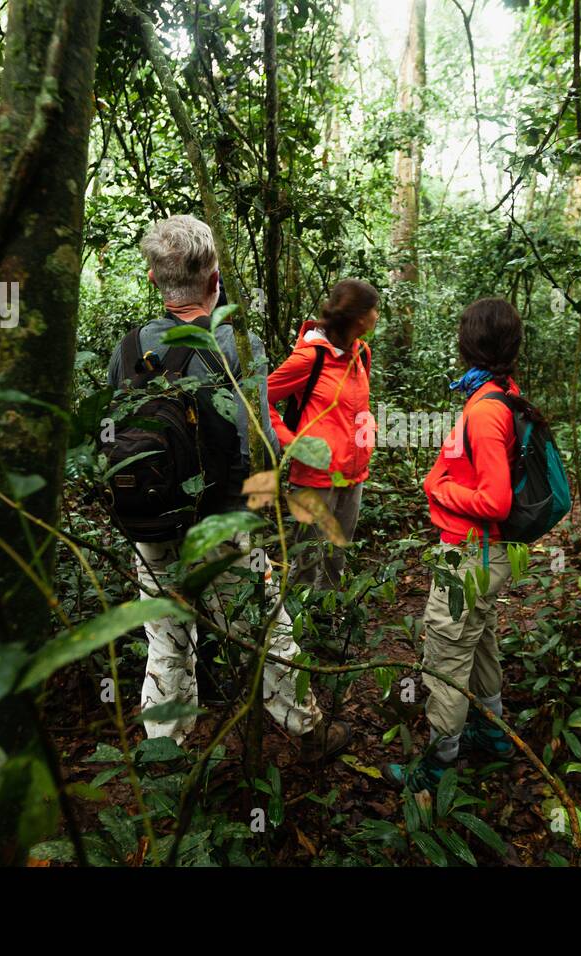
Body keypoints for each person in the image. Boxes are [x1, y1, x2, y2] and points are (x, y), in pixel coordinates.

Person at [107, 214, 350, 763]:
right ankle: (305, 730)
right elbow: (259, 440)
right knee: (267, 626)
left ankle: (164, 754)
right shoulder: (235, 343)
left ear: (151, 277)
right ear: (215, 280)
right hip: (221, 519)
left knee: (165, 637)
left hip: (149, 518)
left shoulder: (129, 347)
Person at [386, 298, 530, 792]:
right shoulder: (503, 391)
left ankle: (438, 762)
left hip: (472, 553)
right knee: (480, 641)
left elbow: (494, 499)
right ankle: (493, 737)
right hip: (490, 556)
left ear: (469, 343)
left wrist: (437, 488)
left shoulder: (486, 411)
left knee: (446, 654)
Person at [267, 279, 378, 590]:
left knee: (336, 554)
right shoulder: (310, 358)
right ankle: (298, 626)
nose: (377, 316)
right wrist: (292, 443)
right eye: (374, 310)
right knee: (307, 560)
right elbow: (261, 397)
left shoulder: (362, 354)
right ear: (359, 318)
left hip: (353, 474)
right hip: (314, 477)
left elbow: (356, 407)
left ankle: (327, 621)